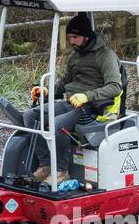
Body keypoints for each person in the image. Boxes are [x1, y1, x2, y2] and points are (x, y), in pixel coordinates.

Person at [22, 12, 123, 184]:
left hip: (90, 107)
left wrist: (87, 96)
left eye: (75, 37)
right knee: (30, 116)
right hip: (70, 102)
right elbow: (66, 82)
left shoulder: (105, 55)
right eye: (69, 37)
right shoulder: (76, 55)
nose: (71, 42)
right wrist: (47, 91)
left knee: (58, 124)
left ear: (86, 35)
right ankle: (46, 165)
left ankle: (62, 171)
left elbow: (115, 86)